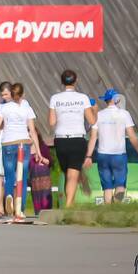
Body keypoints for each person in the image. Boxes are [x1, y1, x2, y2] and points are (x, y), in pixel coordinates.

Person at [86, 89, 138, 203]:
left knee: (107, 187)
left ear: (106, 100)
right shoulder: (124, 114)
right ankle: (117, 206)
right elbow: (132, 135)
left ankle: (108, 209)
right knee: (120, 185)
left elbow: (93, 137)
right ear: (117, 100)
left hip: (103, 154)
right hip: (119, 154)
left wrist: (88, 156)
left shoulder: (99, 115)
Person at [0, 81, 46, 221]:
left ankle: (9, 197)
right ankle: (21, 209)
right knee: (23, 178)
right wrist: (39, 152)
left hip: (8, 143)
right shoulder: (27, 108)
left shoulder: (4, 108)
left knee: (9, 175)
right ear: (23, 94)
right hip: (24, 143)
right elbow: (32, 131)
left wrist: (5, 131)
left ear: (11, 94)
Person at [48, 69, 96, 208]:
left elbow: (51, 122)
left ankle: (69, 204)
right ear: (76, 81)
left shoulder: (55, 98)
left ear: (62, 82)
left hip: (61, 139)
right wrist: (94, 111)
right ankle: (69, 206)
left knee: (67, 173)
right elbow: (92, 121)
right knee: (72, 175)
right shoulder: (83, 98)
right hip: (77, 139)